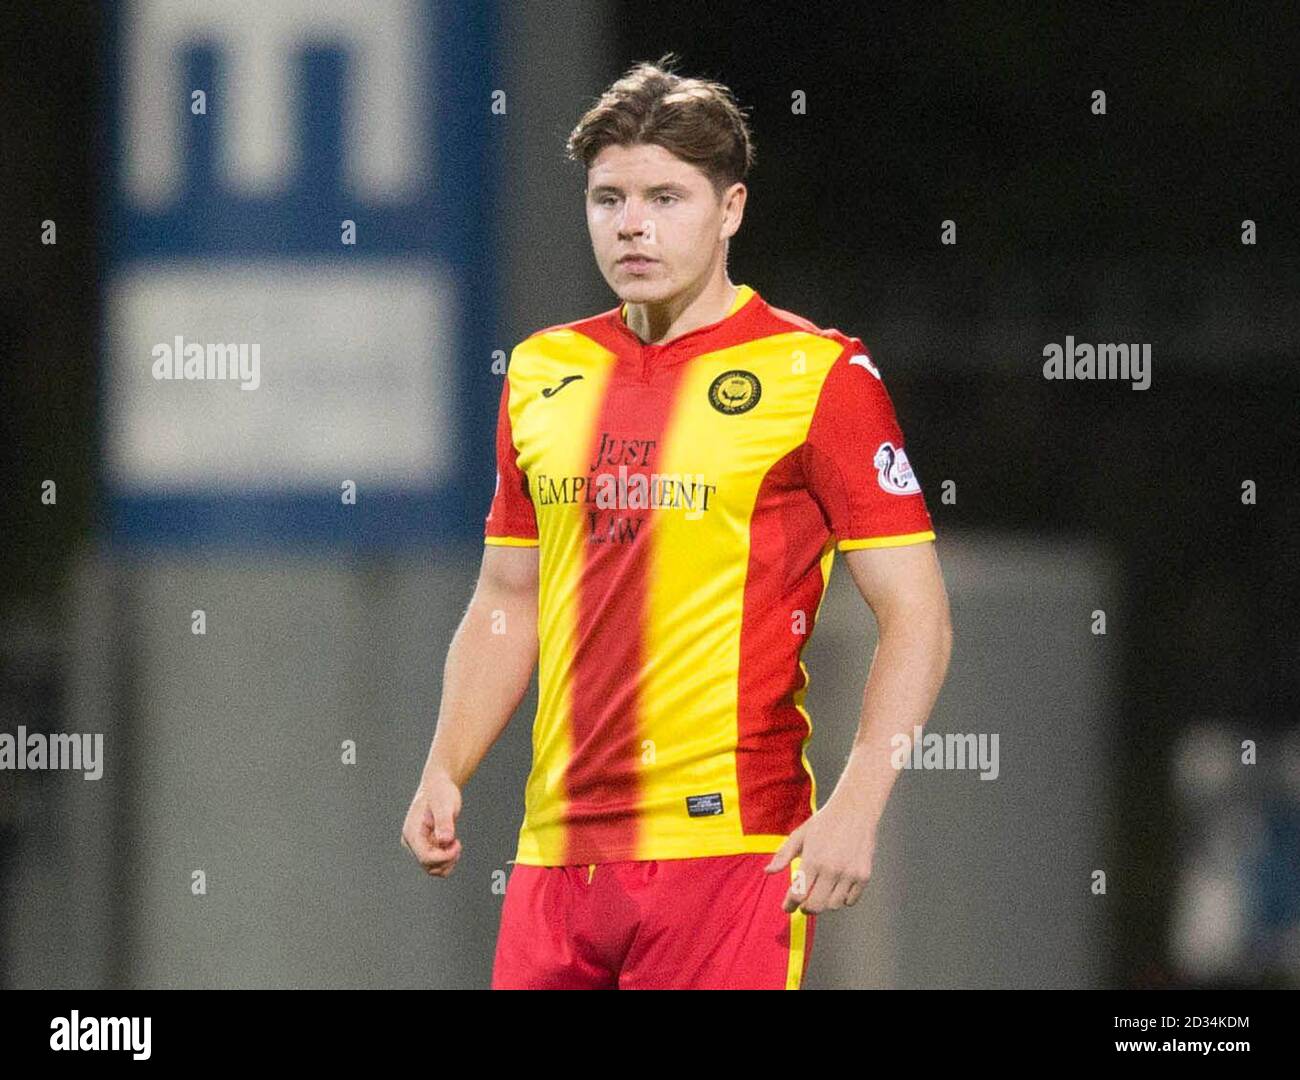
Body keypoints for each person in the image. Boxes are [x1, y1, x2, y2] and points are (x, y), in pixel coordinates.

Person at [401, 53, 952, 990]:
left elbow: (919, 617)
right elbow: (508, 594)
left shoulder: (817, 376)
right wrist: (445, 763)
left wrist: (860, 801)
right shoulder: (542, 371)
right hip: (553, 858)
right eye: (608, 199)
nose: (632, 225)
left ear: (730, 209)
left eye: (666, 197)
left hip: (730, 853)